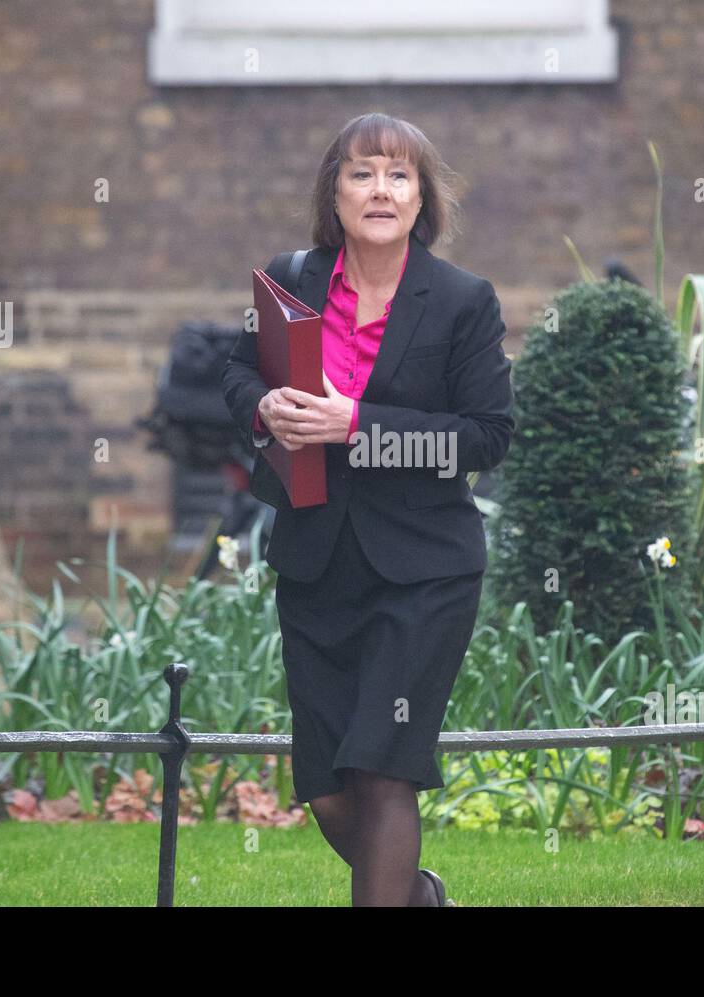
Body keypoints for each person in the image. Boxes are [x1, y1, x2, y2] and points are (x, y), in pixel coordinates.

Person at [221, 112, 515, 906]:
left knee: (384, 768)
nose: (380, 189)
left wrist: (358, 426)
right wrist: (266, 408)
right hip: (316, 561)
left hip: (426, 571)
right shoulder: (290, 279)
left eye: (398, 175)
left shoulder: (462, 302)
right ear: (335, 192)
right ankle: (420, 896)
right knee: (328, 788)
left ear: (422, 199)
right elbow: (238, 375)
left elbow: (485, 437)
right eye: (362, 172)